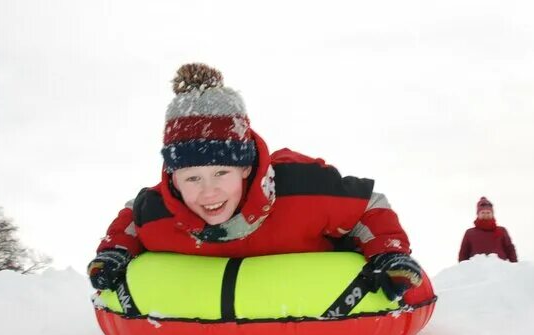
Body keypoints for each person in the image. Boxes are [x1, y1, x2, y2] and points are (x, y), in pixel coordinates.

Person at [86, 63, 423, 302]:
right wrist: (114, 253)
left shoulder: (301, 189)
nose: (209, 191)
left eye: (221, 173)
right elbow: (132, 220)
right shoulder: (158, 212)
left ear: (245, 169)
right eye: (192, 178)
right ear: (173, 179)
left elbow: (368, 206)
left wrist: (388, 254)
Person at [458, 196, 517, 262]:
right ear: (478, 214)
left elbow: (510, 250)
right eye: (483, 212)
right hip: (477, 270)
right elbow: (463, 254)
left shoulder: (502, 231)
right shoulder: (469, 233)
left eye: (488, 212)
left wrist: (515, 267)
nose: (486, 215)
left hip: (500, 270)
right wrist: (462, 269)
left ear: (492, 214)